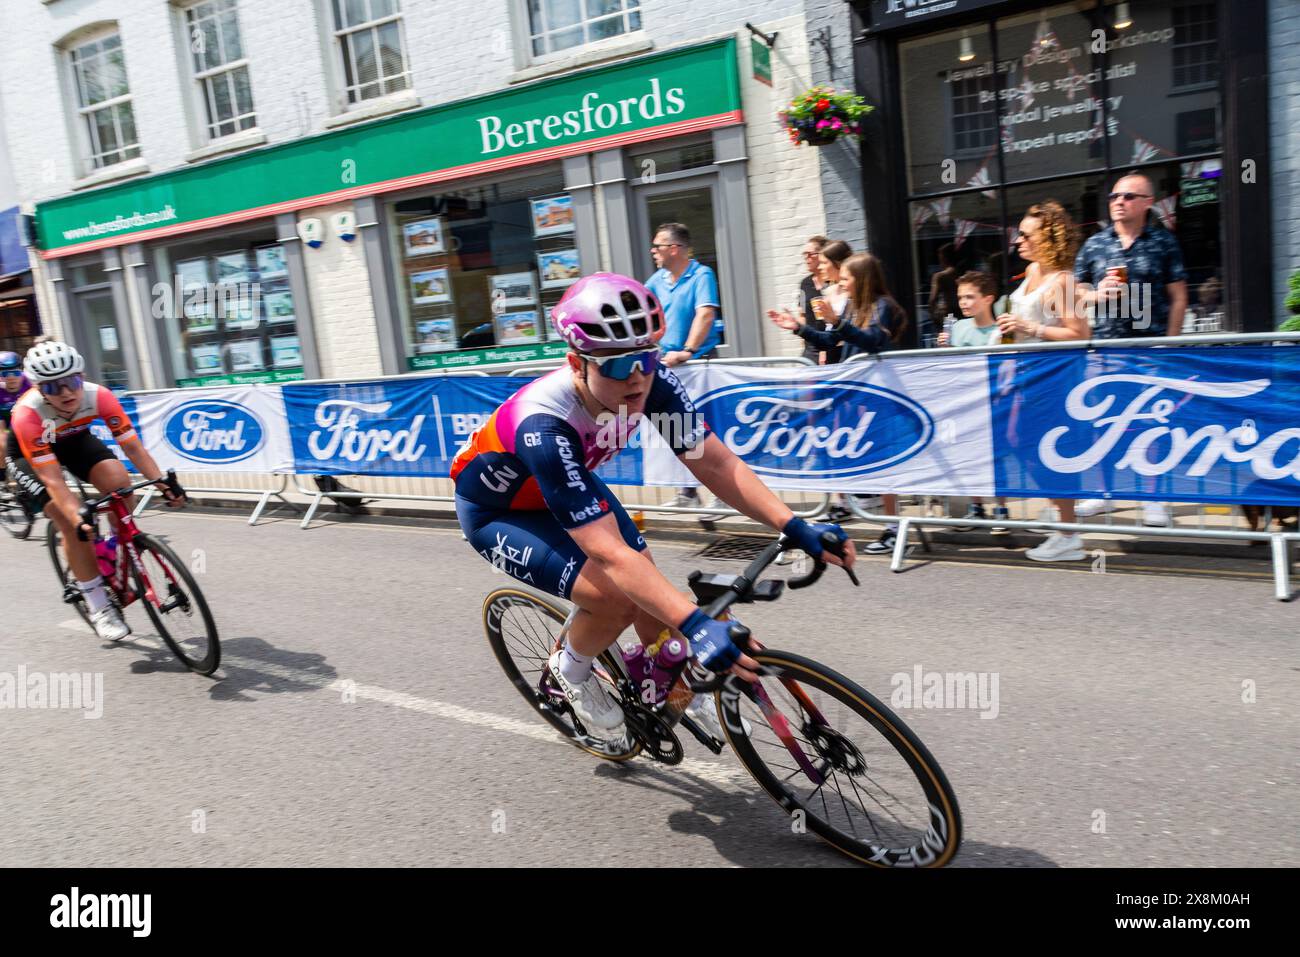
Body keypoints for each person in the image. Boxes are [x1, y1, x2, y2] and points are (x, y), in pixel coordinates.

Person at [451, 273, 854, 744]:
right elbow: (608, 556)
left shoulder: (651, 382)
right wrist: (698, 626)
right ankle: (569, 668)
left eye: (647, 357)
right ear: (576, 364)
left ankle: (663, 683)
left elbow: (716, 465)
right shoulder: (543, 424)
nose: (638, 376)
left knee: (650, 586)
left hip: (564, 486)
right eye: (618, 366)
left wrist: (793, 524)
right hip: (498, 512)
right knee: (616, 596)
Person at [6, 342, 186, 640]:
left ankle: (115, 550)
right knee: (68, 520)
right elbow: (53, 479)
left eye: (72, 381)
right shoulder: (27, 414)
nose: (66, 392)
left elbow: (132, 447)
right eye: (53, 387)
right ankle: (98, 605)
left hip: (74, 440)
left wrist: (162, 483)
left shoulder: (99, 395)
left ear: (83, 375)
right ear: (38, 388)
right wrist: (78, 517)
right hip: (29, 455)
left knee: (120, 481)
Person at [768, 252, 910, 555]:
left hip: (881, 395)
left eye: (846, 278)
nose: (840, 283)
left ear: (862, 280)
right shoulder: (853, 306)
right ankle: (866, 510)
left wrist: (839, 322)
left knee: (884, 464)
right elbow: (829, 341)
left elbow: (873, 340)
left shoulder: (882, 306)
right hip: (856, 396)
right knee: (858, 456)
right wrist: (797, 328)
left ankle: (896, 530)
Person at [1072, 171, 1189, 527]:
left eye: (1127, 196)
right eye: (1113, 197)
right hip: (1105, 349)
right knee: (1101, 423)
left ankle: (1153, 499)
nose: (1118, 202)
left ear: (1147, 203)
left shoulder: (1163, 242)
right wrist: (1095, 294)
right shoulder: (1095, 244)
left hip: (1148, 348)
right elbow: (1074, 290)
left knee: (1150, 422)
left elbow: (1179, 297)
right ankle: (1104, 494)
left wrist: (1167, 344)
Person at [993, 202, 1090, 562]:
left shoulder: (1063, 280)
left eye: (1025, 234)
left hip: (1053, 379)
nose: (1017, 240)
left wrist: (1030, 328)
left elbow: (1080, 333)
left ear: (1048, 237)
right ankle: (1058, 510)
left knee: (1053, 452)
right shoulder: (1033, 269)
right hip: (1025, 376)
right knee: (1020, 441)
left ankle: (1069, 535)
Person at [644, 222, 723, 518]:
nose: (653, 251)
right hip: (670, 365)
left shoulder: (701, 274)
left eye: (658, 246)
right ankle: (686, 492)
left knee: (709, 430)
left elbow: (705, 314)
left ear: (674, 249)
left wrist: (687, 350)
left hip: (700, 363)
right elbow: (643, 313)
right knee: (678, 429)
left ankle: (721, 495)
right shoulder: (657, 280)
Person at [937, 272, 1010, 532]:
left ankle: (1001, 509)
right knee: (969, 453)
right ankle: (976, 507)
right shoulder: (958, 327)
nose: (964, 302)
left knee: (996, 457)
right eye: (960, 297)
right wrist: (944, 349)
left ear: (988, 299)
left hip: (994, 400)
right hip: (965, 400)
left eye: (970, 297)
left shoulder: (999, 329)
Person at [0, 350, 31, 475]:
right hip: (5, 421)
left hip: (25, 419)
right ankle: (1, 478)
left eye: (16, 372)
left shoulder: (29, 383)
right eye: (6, 373)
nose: (11, 377)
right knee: (2, 443)